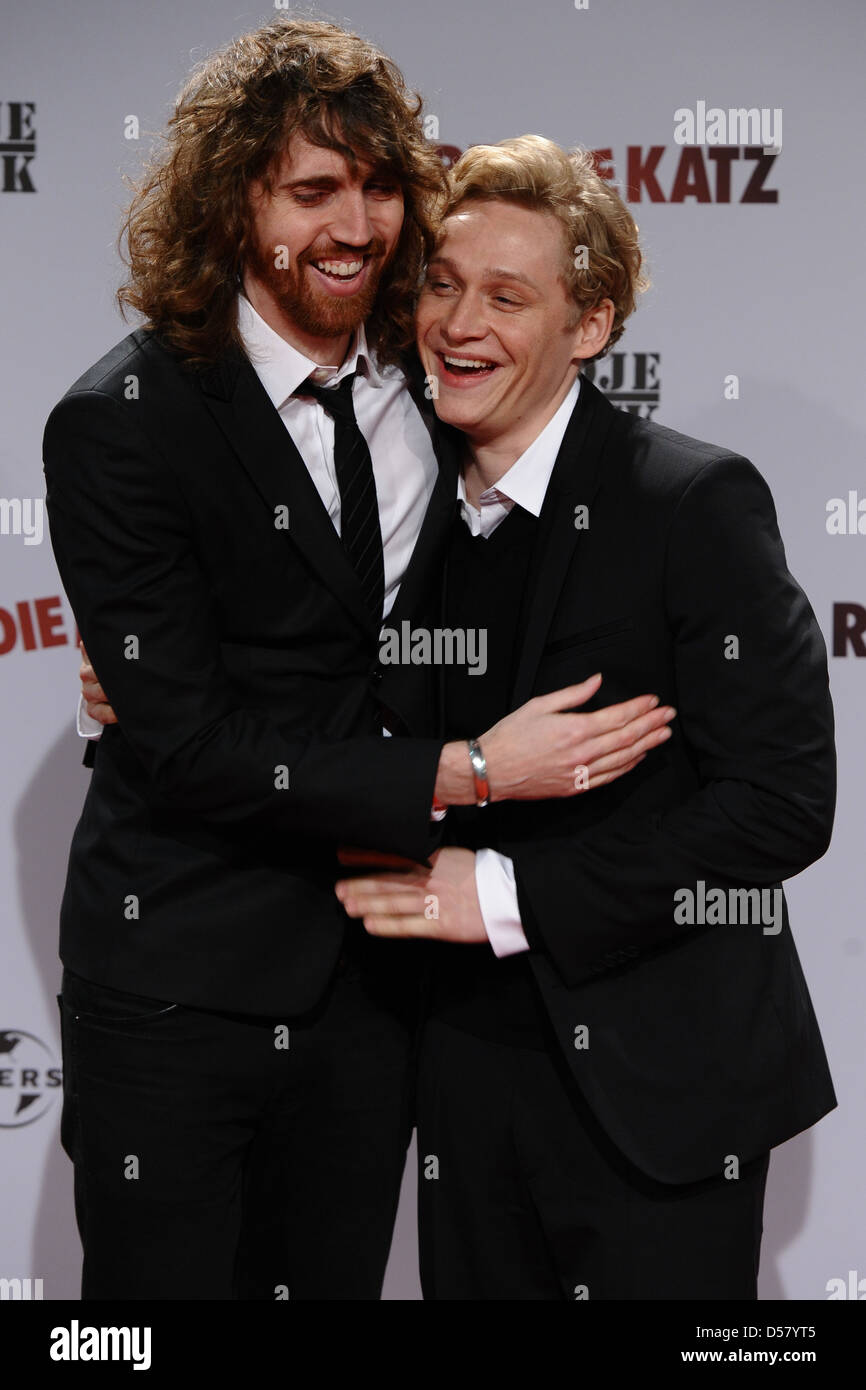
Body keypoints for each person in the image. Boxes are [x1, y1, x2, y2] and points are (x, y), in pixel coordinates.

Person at [46, 22, 670, 1300]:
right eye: (312, 189)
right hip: (182, 981)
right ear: (236, 202)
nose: (357, 223)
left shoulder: (432, 368)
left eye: (381, 186)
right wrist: (469, 769)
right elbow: (190, 743)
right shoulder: (124, 423)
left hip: (379, 979)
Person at [336, 135, 838, 1300]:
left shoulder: (689, 500)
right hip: (458, 1084)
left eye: (507, 296)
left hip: (659, 1095)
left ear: (590, 324)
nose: (457, 323)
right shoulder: (392, 510)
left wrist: (504, 894)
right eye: (443, 285)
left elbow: (778, 805)